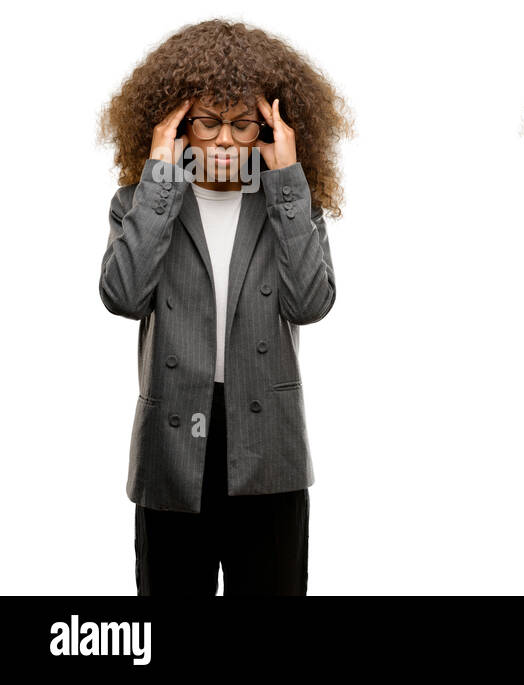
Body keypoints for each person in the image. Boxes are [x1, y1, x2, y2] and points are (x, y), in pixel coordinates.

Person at [98, 19, 352, 595]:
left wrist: (288, 179)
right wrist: (160, 176)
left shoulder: (289, 203)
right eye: (208, 123)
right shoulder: (140, 203)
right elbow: (122, 295)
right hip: (174, 443)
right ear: (177, 124)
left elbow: (311, 304)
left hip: (268, 449)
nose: (224, 141)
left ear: (270, 128)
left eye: (242, 125)